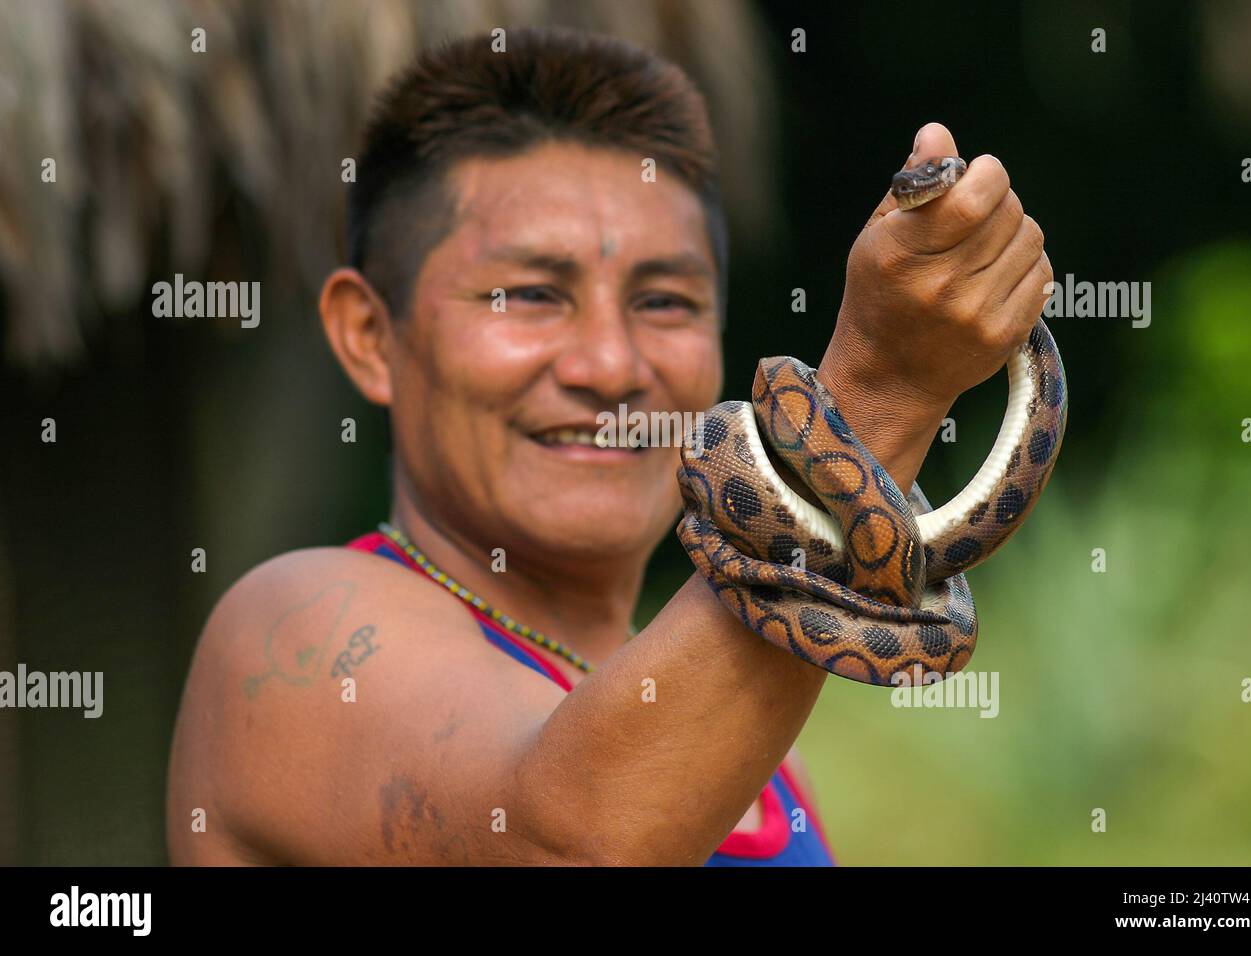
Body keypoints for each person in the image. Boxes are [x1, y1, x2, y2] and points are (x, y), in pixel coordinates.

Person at [166, 26, 1050, 866]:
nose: (610, 365)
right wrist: (881, 392)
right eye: (528, 296)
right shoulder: (288, 640)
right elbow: (580, 843)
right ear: (368, 335)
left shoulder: (763, 759)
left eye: (664, 301)